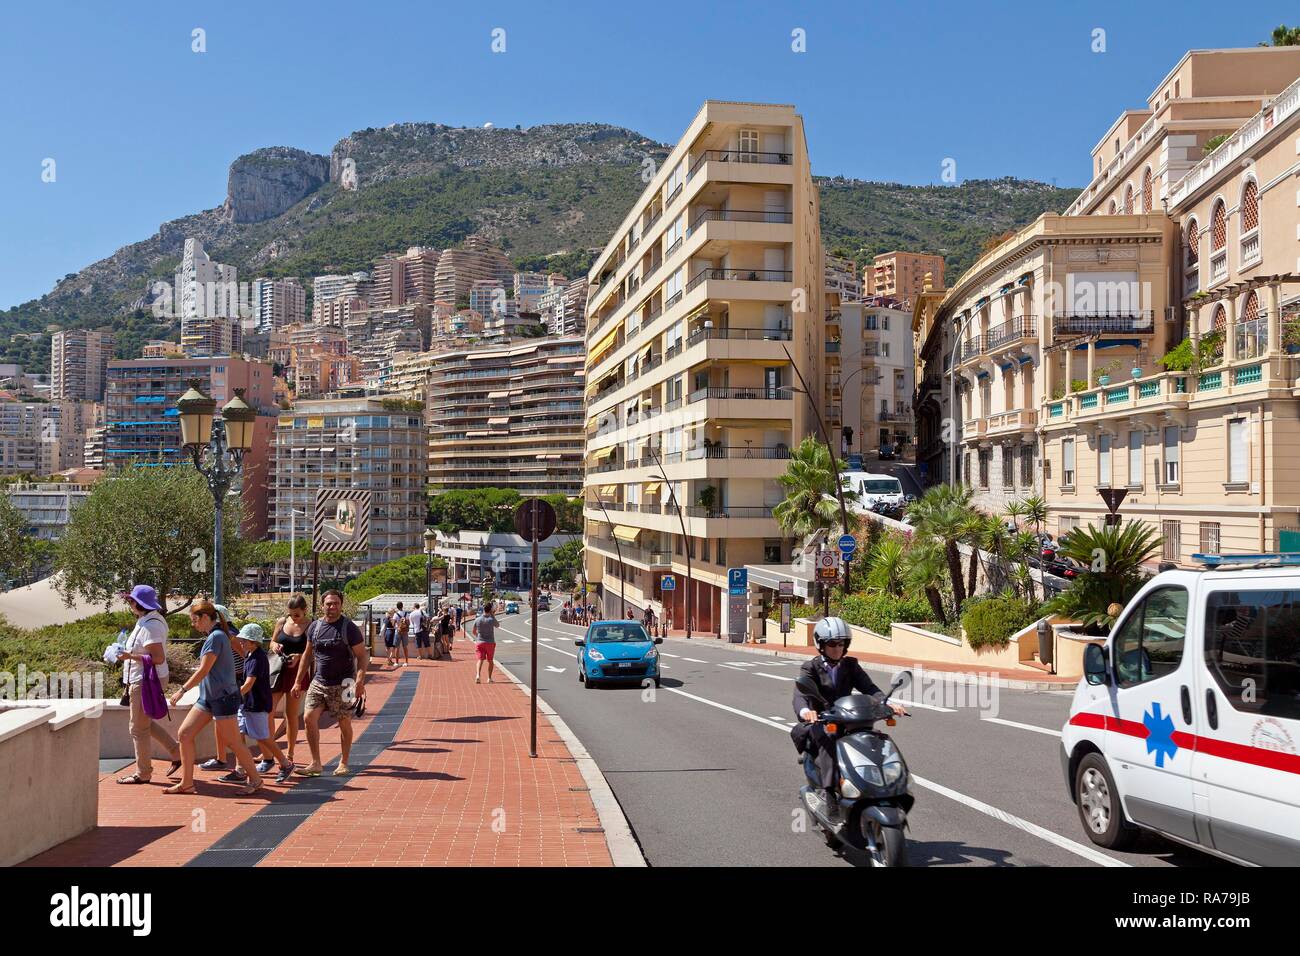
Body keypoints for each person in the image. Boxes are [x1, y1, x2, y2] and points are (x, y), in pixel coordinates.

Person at [791, 617, 906, 796]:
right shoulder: (810, 667)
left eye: (841, 644)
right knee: (829, 738)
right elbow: (801, 694)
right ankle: (829, 794)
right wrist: (806, 711)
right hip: (823, 721)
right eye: (832, 644)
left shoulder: (851, 665)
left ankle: (880, 781)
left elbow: (869, 688)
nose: (837, 648)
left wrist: (887, 703)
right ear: (821, 644)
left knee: (875, 739)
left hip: (849, 719)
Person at [164, 600, 263, 795]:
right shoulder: (215, 635)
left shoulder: (216, 637)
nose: (194, 625)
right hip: (208, 698)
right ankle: (186, 783)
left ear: (205, 617)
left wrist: (182, 690)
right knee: (184, 734)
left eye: (195, 620)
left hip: (223, 698)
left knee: (234, 742)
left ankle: (256, 780)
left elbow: (203, 670)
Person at [293, 590, 367, 777]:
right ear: (322, 605)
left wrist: (359, 681)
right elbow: (307, 655)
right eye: (328, 604)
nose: (332, 607)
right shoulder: (315, 627)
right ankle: (316, 763)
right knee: (309, 718)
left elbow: (362, 656)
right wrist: (297, 681)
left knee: (344, 722)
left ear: (341, 605)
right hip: (319, 681)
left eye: (335, 603)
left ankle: (344, 762)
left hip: (345, 683)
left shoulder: (348, 627)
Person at [115, 584, 182, 785]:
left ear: (138, 603)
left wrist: (128, 656)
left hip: (145, 680)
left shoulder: (151, 625)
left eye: (130, 601)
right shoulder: (147, 621)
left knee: (137, 728)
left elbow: (157, 658)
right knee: (143, 723)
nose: (129, 604)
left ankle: (143, 773)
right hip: (142, 679)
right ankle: (176, 751)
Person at [228, 623, 294, 784]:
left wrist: (234, 696)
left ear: (253, 641)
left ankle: (285, 764)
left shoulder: (257, 658)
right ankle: (241, 769)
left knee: (263, 737)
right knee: (239, 735)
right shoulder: (250, 655)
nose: (241, 643)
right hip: (247, 704)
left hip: (256, 704)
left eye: (245, 640)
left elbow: (249, 683)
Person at [198, 603, 246, 772]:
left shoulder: (229, 635)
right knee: (224, 726)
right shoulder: (223, 634)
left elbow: (244, 655)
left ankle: (241, 767)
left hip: (234, 683)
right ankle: (222, 758)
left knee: (236, 729)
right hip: (228, 683)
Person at [269, 594, 309, 766]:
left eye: (297, 614)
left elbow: (313, 653)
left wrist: (299, 657)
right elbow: (271, 642)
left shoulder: (311, 626)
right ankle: (269, 752)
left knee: (291, 715)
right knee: (268, 712)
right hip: (278, 670)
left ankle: (290, 754)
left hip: (297, 674)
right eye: (291, 614)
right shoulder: (281, 622)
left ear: (305, 610)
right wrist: (275, 646)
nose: (294, 617)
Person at [468, 601, 499, 684]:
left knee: (480, 660)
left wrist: (478, 636)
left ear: (483, 610)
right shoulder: (491, 619)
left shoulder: (477, 619)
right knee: (490, 660)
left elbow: (473, 631)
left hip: (480, 642)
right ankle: (489, 678)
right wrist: (492, 615)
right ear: (490, 610)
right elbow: (497, 625)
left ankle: (478, 675)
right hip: (490, 642)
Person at [381, 601, 398, 668]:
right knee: (394, 647)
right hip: (393, 632)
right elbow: (396, 626)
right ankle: (390, 659)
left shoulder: (386, 619)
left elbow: (383, 627)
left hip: (387, 632)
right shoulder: (394, 619)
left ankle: (388, 659)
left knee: (387, 647)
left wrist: (381, 633)